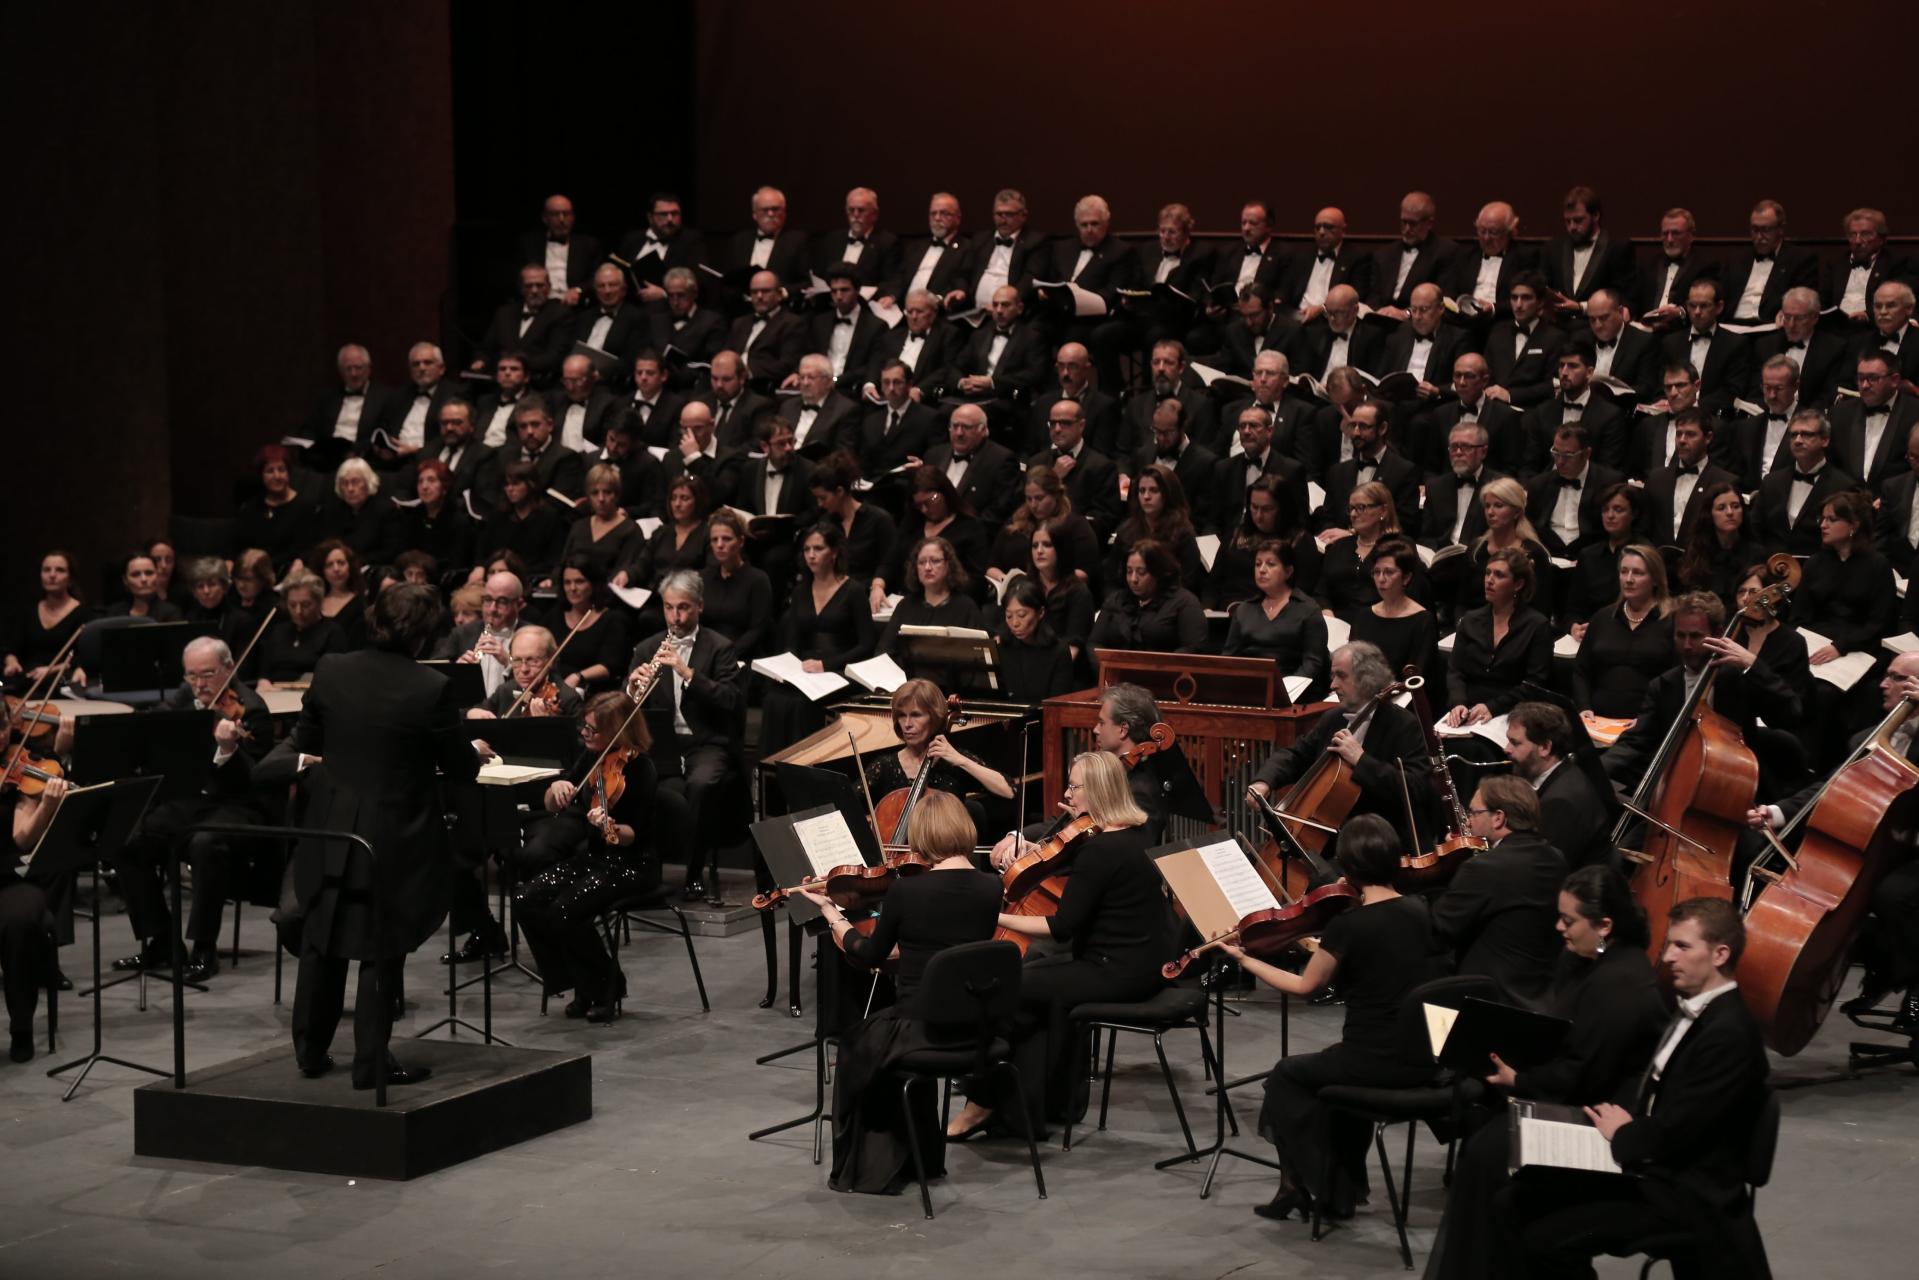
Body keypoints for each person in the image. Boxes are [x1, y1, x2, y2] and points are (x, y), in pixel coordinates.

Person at [1496, 898, 1772, 1279]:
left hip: (1683, 1193)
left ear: (1720, 953)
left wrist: (1623, 1133)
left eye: (1683, 946)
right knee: (1516, 1197)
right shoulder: (1696, 1010)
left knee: (1545, 1239)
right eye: (1668, 944)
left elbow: (1678, 1131)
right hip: (1654, 1167)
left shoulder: (1729, 1035)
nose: (1668, 956)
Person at [1424, 865, 1669, 1279]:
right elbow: (1570, 1044)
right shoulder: (1593, 964)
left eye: (1569, 920)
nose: (1559, 927)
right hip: (1580, 1099)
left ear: (1605, 925)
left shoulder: (1623, 988)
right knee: (1483, 1145)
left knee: (1488, 1156)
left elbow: (1582, 1074)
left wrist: (1519, 1080)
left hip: (1600, 1123)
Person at [286, 584, 485, 1088]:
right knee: (382, 946)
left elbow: (306, 742)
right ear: (421, 634)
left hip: (331, 827)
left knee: (322, 939)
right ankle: (370, 1064)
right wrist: (474, 750)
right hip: (395, 834)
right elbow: (459, 768)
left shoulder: (331, 669)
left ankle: (310, 1052)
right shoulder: (429, 688)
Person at [1223, 815, 1441, 1223]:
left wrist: (1245, 959)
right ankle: (1331, 1189)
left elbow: (1306, 987)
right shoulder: (1420, 910)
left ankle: (1302, 1186)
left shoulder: (1349, 924)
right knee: (1320, 1081)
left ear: (1349, 868)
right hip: (1419, 1058)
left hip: (1370, 1059)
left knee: (1286, 1077)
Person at [948, 750, 1165, 1139]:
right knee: (1030, 979)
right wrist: (1041, 851)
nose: (1067, 793)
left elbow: (1063, 927)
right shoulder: (1132, 833)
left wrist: (992, 916)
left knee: (1007, 988)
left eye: (1074, 786)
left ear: (1097, 790)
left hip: (1114, 971)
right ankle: (1033, 1107)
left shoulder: (1100, 850)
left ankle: (981, 1102)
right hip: (1138, 964)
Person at [800, 791, 1002, 1194]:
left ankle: (873, 1168)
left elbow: (868, 955)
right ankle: (921, 1158)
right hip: (975, 1030)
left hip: (919, 1028)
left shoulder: (906, 893)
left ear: (921, 835)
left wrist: (832, 915)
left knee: (857, 1043)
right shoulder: (992, 889)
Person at [108, 636, 275, 981]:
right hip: (189, 802)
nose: (200, 684)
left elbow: (257, 779)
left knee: (205, 843)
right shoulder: (184, 699)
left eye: (208, 675)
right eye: (192, 676)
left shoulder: (252, 708)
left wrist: (229, 751)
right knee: (127, 841)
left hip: (237, 806)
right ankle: (161, 941)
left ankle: (204, 945)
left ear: (229, 668)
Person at [513, 691, 658, 1023]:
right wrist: (556, 790)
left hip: (633, 864)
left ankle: (607, 987)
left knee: (564, 910)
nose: (585, 734)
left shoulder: (640, 769)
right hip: (595, 859)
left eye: (593, 730)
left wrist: (609, 826)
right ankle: (576, 982)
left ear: (617, 731)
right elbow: (553, 806)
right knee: (526, 898)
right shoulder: (591, 757)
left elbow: (633, 835)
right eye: (585, 728)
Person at [1606, 592, 1805, 794]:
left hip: (1732, 791)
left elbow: (1791, 713)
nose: (1686, 646)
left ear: (1718, 633)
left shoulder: (1740, 680)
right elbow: (1636, 741)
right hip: (1673, 790)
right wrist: (1597, 769)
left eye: (1695, 636)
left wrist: (1753, 665)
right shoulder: (1663, 686)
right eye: (1680, 636)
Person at [630, 570, 746, 902]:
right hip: (662, 742)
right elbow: (630, 709)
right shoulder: (647, 647)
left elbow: (730, 700)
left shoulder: (720, 648)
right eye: (669, 608)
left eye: (683, 608)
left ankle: (694, 871)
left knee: (700, 786)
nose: (675, 617)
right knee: (636, 781)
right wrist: (633, 688)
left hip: (706, 742)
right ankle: (643, 872)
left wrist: (686, 672)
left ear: (699, 606)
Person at [1250, 641, 1432, 844]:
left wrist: (1360, 759)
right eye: (1332, 675)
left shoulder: (1403, 725)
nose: (1332, 685)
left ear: (1367, 679)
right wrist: (1263, 781)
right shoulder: (1333, 718)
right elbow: (1295, 754)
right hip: (1331, 839)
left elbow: (1416, 789)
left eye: (1341, 676)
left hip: (1381, 842)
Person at [1434, 776, 1568, 1006]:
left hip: (1489, 1000)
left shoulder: (1484, 868)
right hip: (1541, 997)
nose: (1468, 821)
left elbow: (1438, 931)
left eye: (1474, 813)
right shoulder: (1556, 859)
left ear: (1498, 818)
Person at [757, 523, 876, 759]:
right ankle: (772, 770)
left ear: (834, 553)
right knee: (773, 697)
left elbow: (866, 644)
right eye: (807, 549)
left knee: (802, 704)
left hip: (839, 669)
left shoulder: (853, 591)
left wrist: (826, 665)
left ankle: (803, 765)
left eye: (818, 548)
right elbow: (792, 641)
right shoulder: (801, 591)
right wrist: (786, 667)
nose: (811, 555)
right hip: (806, 669)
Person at [2, 696, 69, 1062]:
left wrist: (46, 807)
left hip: (8, 879)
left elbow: (22, 838)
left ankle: (21, 1026)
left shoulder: (20, 769)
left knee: (21, 920)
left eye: (2, 728)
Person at [862, 679, 1013, 838]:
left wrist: (961, 760)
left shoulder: (953, 762)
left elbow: (1009, 791)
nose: (907, 724)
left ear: (934, 718)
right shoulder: (884, 766)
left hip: (947, 857)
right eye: (901, 715)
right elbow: (845, 806)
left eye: (916, 715)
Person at [1446, 548, 1554, 727]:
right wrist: (1458, 702)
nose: (1489, 580)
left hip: (1512, 712)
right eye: (1487, 573)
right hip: (1469, 708)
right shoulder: (1470, 620)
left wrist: (1493, 707)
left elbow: (1535, 684)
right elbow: (1455, 670)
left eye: (1499, 575)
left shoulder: (1536, 626)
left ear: (1518, 584)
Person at [1504, 701, 1614, 873]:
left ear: (1545, 747)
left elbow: (1539, 869)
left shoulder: (1561, 801)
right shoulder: (1559, 773)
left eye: (1515, 743)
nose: (1507, 749)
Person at [1575, 543, 1677, 718]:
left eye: (1638, 573)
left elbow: (1677, 681)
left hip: (1649, 722)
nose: (1628, 579)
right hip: (1597, 720)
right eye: (1624, 571)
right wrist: (1584, 707)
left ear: (1655, 579)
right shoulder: (1603, 617)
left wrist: (1649, 719)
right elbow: (1581, 671)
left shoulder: (1672, 620)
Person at [1221, 538, 1330, 699]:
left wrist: (1286, 692)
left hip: (1294, 694)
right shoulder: (1244, 609)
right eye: (1258, 564)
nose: (1262, 570)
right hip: (1248, 691)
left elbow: (1312, 663)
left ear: (1288, 571)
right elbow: (1228, 658)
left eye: (1270, 564)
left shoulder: (1308, 609)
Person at [986, 464, 1101, 599]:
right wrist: (1006, 579)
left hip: (1059, 597)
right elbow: (992, 567)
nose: (1033, 505)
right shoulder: (1015, 522)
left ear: (1056, 495)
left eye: (1039, 498)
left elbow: (1084, 573)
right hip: (1013, 596)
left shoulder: (1076, 525)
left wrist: (1040, 584)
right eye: (1029, 499)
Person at [879, 466, 990, 606]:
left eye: (930, 501)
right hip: (910, 601)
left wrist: (941, 596)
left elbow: (977, 582)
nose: (924, 510)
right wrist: (878, 584)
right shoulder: (912, 524)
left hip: (951, 604)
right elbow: (891, 561)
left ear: (945, 493)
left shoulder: (970, 527)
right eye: (919, 505)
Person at [1206, 473, 1320, 609]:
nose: (1258, 516)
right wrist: (1207, 609)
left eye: (1267, 509)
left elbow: (1302, 593)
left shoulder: (1301, 540)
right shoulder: (1236, 534)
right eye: (1254, 507)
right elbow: (1213, 583)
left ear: (1283, 508)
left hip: (1274, 617)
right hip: (1226, 613)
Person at [874, 536, 985, 671]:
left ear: (949, 564)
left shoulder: (966, 606)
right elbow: (884, 653)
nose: (927, 567)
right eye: (921, 562)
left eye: (935, 561)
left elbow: (977, 658)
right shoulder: (906, 605)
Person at [1087, 539, 1206, 657]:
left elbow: (1192, 647)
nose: (1133, 579)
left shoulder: (1185, 602)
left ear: (1158, 572)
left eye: (1141, 572)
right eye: (1129, 571)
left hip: (1164, 674)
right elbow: (1095, 643)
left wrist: (1153, 668)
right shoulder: (1116, 600)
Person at [1458, 476, 1553, 615]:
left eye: (1498, 505)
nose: (1490, 512)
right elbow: (1461, 601)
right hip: (1475, 625)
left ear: (1517, 512)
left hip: (1518, 629)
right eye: (1487, 506)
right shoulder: (1476, 549)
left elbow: (1541, 608)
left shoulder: (1534, 552)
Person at [1107, 463, 1204, 594]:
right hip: (1128, 603)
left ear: (1168, 494)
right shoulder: (1126, 530)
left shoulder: (1182, 532)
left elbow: (1187, 582)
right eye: (1142, 491)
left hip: (1168, 605)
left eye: (1154, 490)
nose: (1146, 497)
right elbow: (1112, 578)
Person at [1348, 538, 1438, 680]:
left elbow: (1418, 675)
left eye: (1389, 572)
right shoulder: (1363, 616)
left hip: (1402, 697)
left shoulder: (1422, 620)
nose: (1381, 579)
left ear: (1406, 578)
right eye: (1377, 572)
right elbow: (1352, 666)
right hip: (1364, 695)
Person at [808, 451, 897, 592]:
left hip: (870, 592)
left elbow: (889, 562)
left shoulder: (879, 519)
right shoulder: (825, 524)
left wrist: (878, 585)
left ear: (839, 491)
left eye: (823, 498)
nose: (819, 504)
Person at [5, 549, 94, 690]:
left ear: (70, 578)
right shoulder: (28, 610)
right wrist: (12, 662)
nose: (52, 575)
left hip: (59, 682)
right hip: (27, 680)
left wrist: (50, 670)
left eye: (59, 570)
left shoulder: (83, 613)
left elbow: (81, 658)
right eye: (47, 570)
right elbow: (11, 648)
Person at [1564, 482, 1646, 634]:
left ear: (1633, 514)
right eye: (1605, 510)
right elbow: (1572, 610)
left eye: (1618, 509)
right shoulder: (1588, 555)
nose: (1610, 516)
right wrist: (1574, 627)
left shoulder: (1646, 554)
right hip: (1589, 634)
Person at [1676, 482, 1766, 617]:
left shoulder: (1756, 553)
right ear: (1710, 514)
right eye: (1721, 508)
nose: (1730, 512)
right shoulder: (1697, 551)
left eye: (1736, 506)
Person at [544, 558, 630, 696]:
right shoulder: (554, 615)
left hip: (594, 692)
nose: (572, 588)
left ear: (593, 583)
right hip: (554, 689)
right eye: (567, 582)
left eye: (579, 581)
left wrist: (578, 676)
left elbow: (610, 666)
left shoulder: (613, 619)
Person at [235, 444, 323, 574]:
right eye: (270, 471)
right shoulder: (251, 509)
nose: (277, 476)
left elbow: (311, 548)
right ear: (261, 476)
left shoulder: (306, 507)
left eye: (281, 470)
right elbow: (239, 546)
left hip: (292, 574)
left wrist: (301, 561)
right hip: (257, 575)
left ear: (288, 473)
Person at [699, 509, 773, 660]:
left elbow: (757, 629)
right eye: (714, 540)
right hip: (707, 654)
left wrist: (728, 655)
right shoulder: (703, 577)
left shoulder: (758, 579)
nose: (719, 545)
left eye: (726, 539)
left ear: (741, 541)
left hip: (742, 657)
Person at [466, 626, 585, 720]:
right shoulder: (506, 690)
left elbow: (580, 747)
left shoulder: (568, 698)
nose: (524, 669)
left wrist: (550, 726)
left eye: (533, 660)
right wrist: (472, 713)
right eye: (517, 660)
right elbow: (470, 712)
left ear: (551, 660)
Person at [1019, 523, 1097, 665]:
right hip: (1026, 665)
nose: (1039, 551)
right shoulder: (1024, 586)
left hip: (1065, 672)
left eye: (1047, 545)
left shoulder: (1079, 592)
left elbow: (1072, 650)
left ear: (1061, 549)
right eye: (1034, 546)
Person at [255, 572, 348, 688]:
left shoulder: (332, 633)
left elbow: (332, 677)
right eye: (292, 605)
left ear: (319, 602)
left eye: (306, 605)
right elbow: (264, 672)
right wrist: (263, 681)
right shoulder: (277, 631)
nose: (298, 611)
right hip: (273, 694)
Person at [995, 579, 1076, 704]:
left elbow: (1057, 705)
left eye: (1022, 615)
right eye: (1009, 616)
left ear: (1040, 613)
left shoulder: (1058, 651)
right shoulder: (1002, 648)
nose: (1015, 623)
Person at [624, 474, 710, 590]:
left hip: (688, 596)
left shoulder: (707, 534)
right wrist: (628, 575)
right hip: (656, 597)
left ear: (698, 501)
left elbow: (710, 572)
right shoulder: (661, 532)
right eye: (673, 498)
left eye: (684, 498)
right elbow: (642, 564)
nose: (677, 504)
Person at [559, 463, 643, 582]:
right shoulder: (579, 527)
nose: (601, 499)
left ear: (617, 495)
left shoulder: (630, 530)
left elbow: (622, 570)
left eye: (607, 492)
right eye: (594, 493)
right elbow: (563, 565)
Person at [488, 461, 567, 588]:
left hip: (535, 579)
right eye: (507, 485)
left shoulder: (549, 516)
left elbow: (555, 558)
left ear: (531, 485)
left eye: (515, 484)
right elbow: (487, 550)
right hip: (500, 577)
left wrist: (550, 578)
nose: (510, 489)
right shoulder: (499, 515)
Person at [403, 457, 474, 574]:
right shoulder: (411, 517)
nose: (424, 487)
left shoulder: (459, 522)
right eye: (420, 481)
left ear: (445, 487)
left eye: (431, 480)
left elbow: (456, 564)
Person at [322, 457, 399, 565]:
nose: (350, 488)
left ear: (368, 483)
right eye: (345, 483)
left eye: (355, 482)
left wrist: (354, 563)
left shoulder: (386, 510)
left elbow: (390, 552)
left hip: (372, 567)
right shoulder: (333, 511)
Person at [311, 538, 368, 648]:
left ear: (349, 567)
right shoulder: (314, 601)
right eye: (329, 565)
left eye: (341, 563)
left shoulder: (360, 604)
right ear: (322, 570)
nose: (336, 569)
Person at [105, 550, 183, 622]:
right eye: (135, 574)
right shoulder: (114, 613)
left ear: (157, 576)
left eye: (149, 573)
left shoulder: (171, 613)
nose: (143, 579)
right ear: (125, 580)